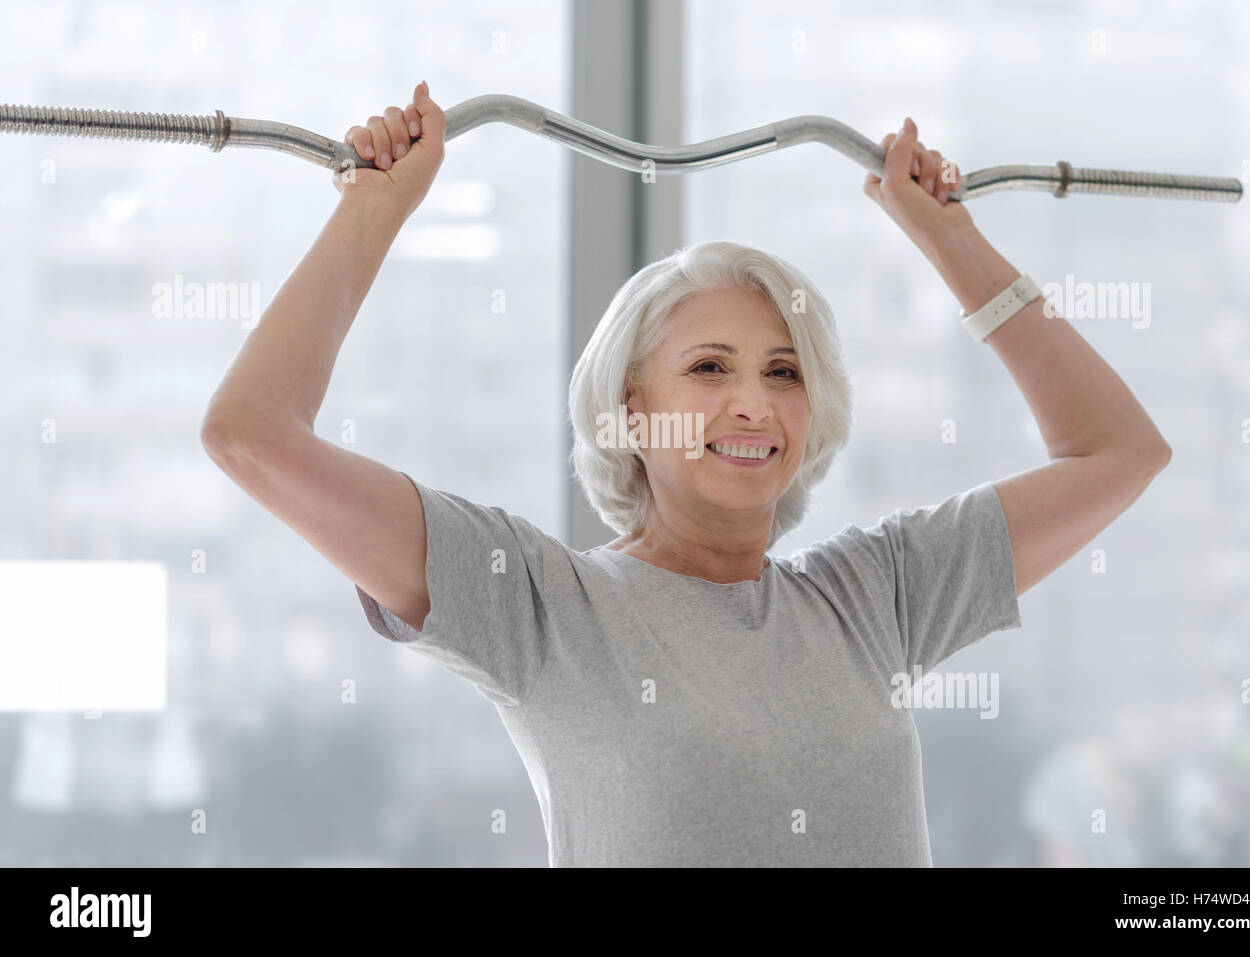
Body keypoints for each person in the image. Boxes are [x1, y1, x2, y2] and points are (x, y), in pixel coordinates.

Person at [200, 81, 1173, 866]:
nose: (753, 403)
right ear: (628, 409)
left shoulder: (880, 594)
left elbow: (1118, 450)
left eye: (782, 373)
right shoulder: (538, 603)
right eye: (709, 367)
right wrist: (373, 211)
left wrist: (947, 237)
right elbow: (253, 434)